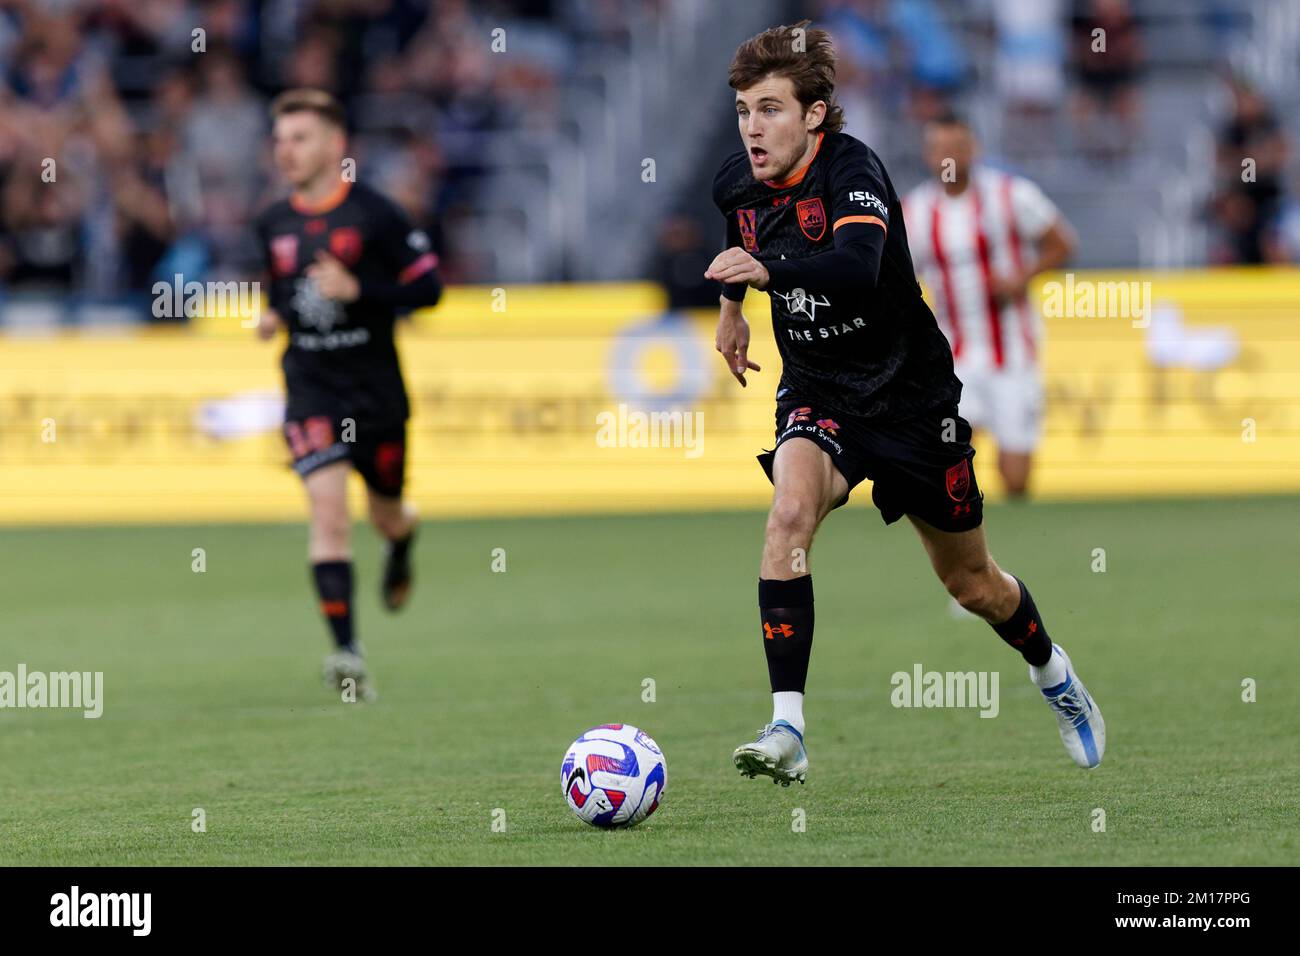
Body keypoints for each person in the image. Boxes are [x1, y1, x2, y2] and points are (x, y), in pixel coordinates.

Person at [704, 22, 1104, 785]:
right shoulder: (737, 179)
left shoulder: (855, 172)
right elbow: (742, 230)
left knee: (972, 583)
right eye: (744, 111)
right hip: (820, 392)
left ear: (816, 114)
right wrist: (732, 306)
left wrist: (764, 271)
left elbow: (855, 267)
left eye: (771, 110)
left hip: (913, 398)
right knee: (788, 515)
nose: (753, 128)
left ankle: (1053, 670)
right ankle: (789, 724)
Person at [253, 89, 442, 700]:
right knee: (328, 515)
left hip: (376, 396)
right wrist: (272, 316)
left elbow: (429, 290)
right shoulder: (272, 222)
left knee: (386, 514)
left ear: (336, 145)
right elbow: (284, 290)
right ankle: (347, 654)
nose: (286, 151)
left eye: (300, 138)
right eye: (280, 139)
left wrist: (360, 287)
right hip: (311, 390)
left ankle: (403, 539)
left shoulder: (377, 215)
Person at [904, 111, 1075, 498]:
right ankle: (966, 546)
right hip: (951, 354)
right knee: (948, 458)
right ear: (928, 155)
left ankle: (1007, 541)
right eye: (939, 150)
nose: (948, 159)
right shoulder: (914, 212)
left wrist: (1021, 276)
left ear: (973, 150)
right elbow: (897, 279)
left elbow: (1062, 243)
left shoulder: (1010, 194)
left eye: (956, 149)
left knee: (1015, 477)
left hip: (1012, 350)